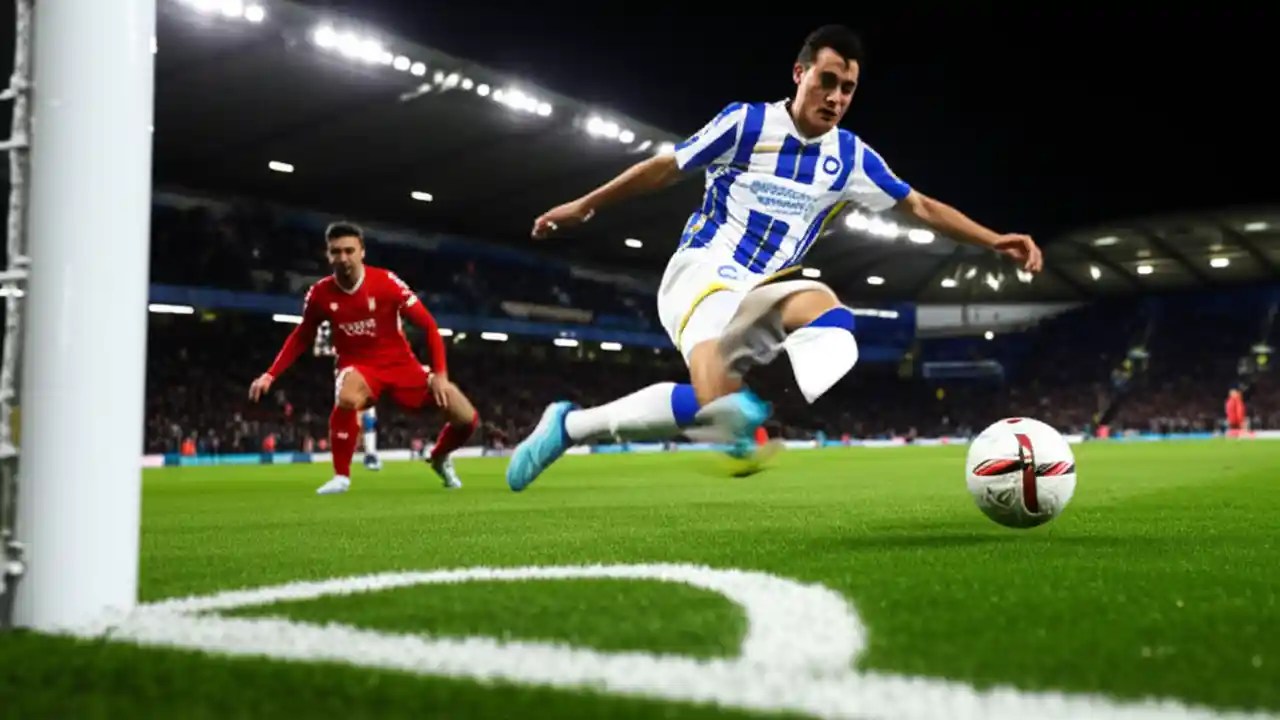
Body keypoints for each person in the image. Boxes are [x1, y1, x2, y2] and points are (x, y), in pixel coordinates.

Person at [506, 24, 1042, 492]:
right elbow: (668, 166)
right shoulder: (746, 124)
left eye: (848, 89)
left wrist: (994, 240)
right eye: (827, 81)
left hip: (762, 289)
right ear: (799, 74)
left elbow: (919, 205)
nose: (835, 97)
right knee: (716, 381)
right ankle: (728, 414)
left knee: (830, 313)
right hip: (702, 269)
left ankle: (578, 426)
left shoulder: (852, 157)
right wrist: (585, 205)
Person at [249, 221, 478, 494]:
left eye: (349, 250)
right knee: (347, 395)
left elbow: (428, 325)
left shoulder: (386, 283)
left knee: (467, 418)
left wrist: (440, 375)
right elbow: (301, 336)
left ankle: (439, 457)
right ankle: (341, 477)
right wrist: (270, 374)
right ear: (328, 255)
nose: (343, 258)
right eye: (336, 252)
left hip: (402, 366)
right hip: (359, 367)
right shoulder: (320, 294)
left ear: (362, 252)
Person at [361, 406, 382, 470]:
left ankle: (371, 460)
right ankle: (370, 460)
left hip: (370, 431)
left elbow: (374, 419)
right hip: (368, 431)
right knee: (369, 447)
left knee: (370, 446)